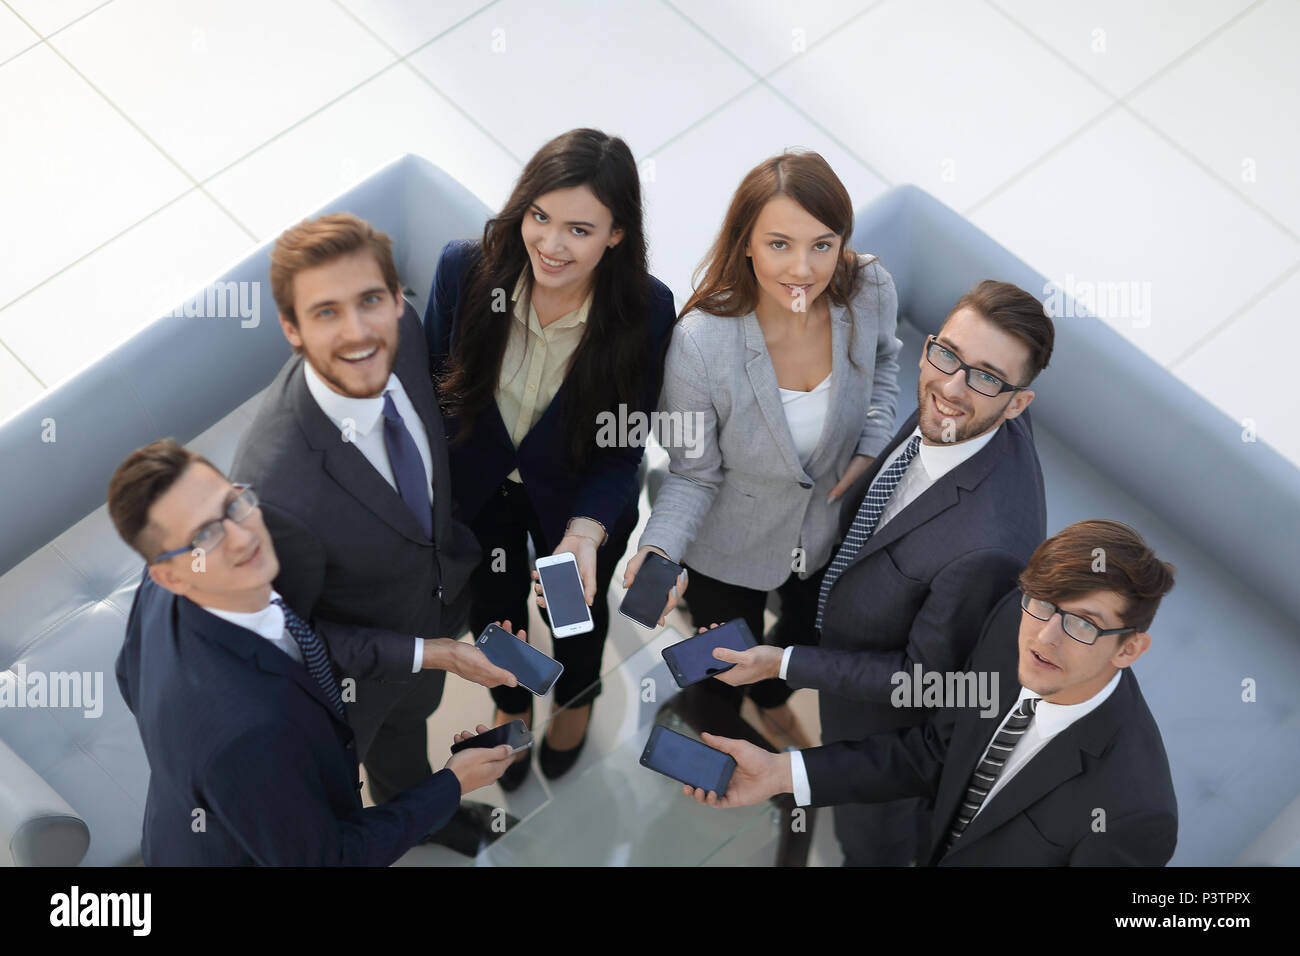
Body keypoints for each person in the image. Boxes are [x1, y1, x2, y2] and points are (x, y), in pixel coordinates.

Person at [709, 279, 1053, 865]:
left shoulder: (988, 551)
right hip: (847, 632)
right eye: (946, 354)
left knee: (869, 850)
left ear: (1018, 403)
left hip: (885, 732)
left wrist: (785, 662)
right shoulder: (958, 415)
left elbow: (921, 680)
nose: (949, 386)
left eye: (986, 377)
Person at [231, 213, 506, 854]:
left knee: (411, 729)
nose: (358, 333)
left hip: (433, 614)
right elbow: (293, 638)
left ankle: (424, 813)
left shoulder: (405, 331)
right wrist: (428, 652)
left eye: (370, 301)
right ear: (291, 329)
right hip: (350, 685)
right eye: (327, 312)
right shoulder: (275, 489)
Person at [109, 439, 517, 865]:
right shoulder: (245, 734)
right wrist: (451, 784)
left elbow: (128, 672)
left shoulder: (164, 584)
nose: (241, 536)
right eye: (205, 536)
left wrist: (439, 653)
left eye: (231, 504)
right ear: (170, 575)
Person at [682, 520, 1179, 867]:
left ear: (1129, 649)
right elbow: (935, 752)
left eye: (1083, 625)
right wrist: (780, 772)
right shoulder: (1015, 621)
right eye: (1043, 604)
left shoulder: (1136, 812)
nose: (1045, 637)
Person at [426, 128, 677, 787]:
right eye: (539, 216)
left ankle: (573, 701)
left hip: (576, 515)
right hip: (481, 503)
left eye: (578, 229)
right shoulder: (465, 270)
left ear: (616, 234)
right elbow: (432, 396)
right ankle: (511, 708)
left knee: (575, 621)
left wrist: (585, 534)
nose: (550, 244)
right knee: (496, 617)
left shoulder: (644, 312)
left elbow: (624, 447)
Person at [627, 150, 902, 746]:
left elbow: (884, 365)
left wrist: (871, 443)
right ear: (745, 242)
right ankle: (719, 724)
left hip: (825, 526)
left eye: (822, 245)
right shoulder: (700, 344)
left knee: (808, 640)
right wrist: (659, 550)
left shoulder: (870, 286)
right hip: (727, 547)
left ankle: (770, 693)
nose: (803, 269)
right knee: (720, 667)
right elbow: (694, 474)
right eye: (780, 244)